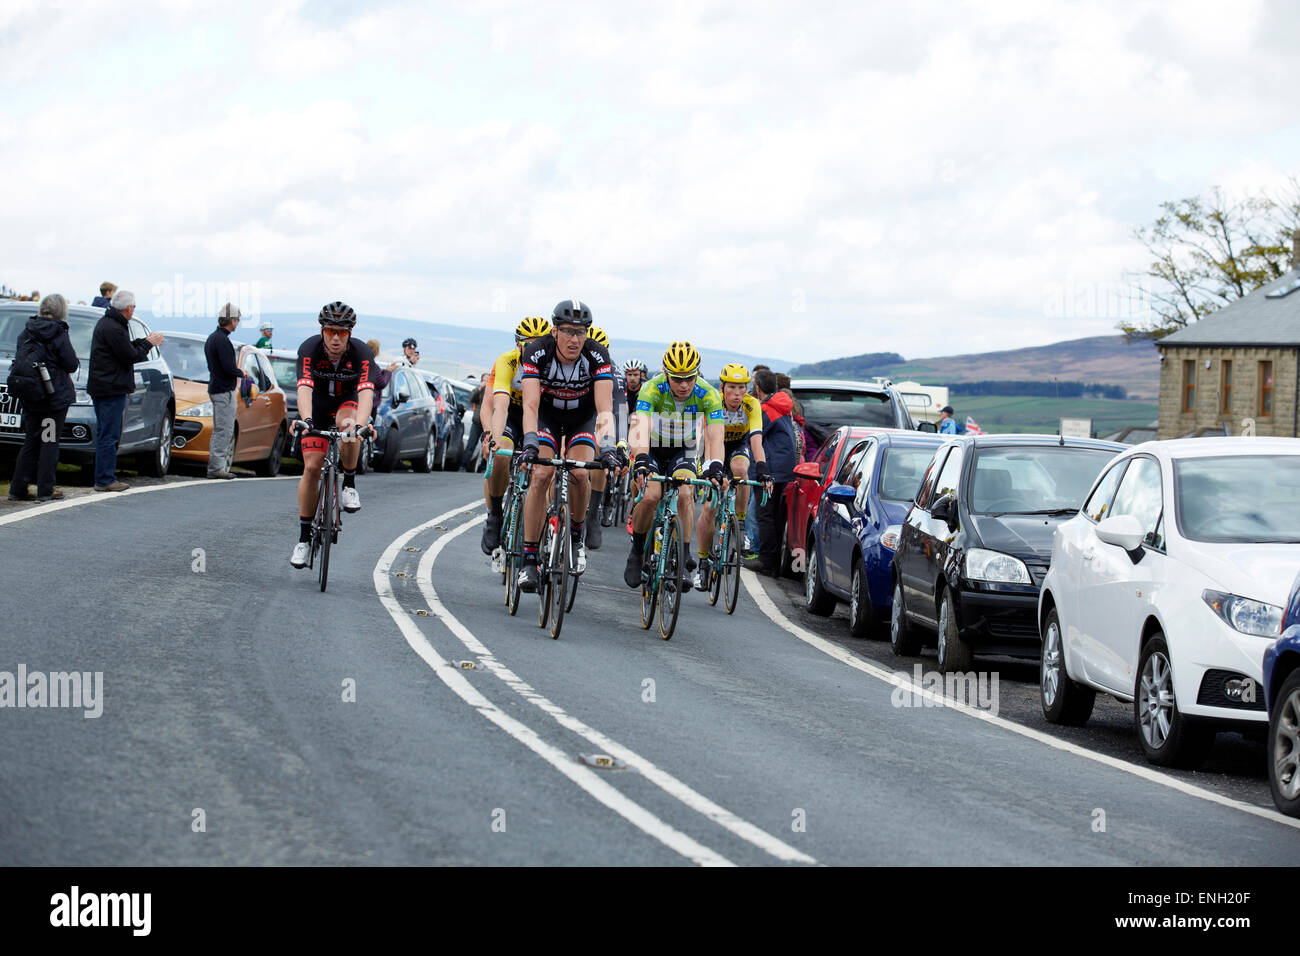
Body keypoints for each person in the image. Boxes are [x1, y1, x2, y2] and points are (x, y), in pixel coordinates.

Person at [516, 300, 622, 593]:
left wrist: (608, 448)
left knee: (580, 473)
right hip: (547, 416)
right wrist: (529, 442)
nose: (574, 339)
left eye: (581, 332)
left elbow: (604, 408)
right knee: (540, 475)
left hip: (582, 419)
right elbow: (530, 403)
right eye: (567, 332)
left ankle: (576, 537)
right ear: (554, 331)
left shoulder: (597, 354)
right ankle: (528, 559)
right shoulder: (536, 351)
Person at [623, 341, 726, 589]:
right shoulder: (652, 388)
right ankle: (637, 552)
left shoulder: (708, 394)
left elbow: (715, 435)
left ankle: (682, 555)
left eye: (690, 378)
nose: (684, 385)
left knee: (685, 492)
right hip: (653, 448)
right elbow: (641, 427)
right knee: (650, 496)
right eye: (678, 379)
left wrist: (715, 465)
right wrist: (641, 460)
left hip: (684, 450)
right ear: (666, 373)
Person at [288, 302, 377, 569]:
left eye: (341, 332)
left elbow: (366, 395)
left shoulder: (362, 353)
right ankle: (304, 539)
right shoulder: (309, 349)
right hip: (315, 405)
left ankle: (348, 482)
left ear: (350, 333)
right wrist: (305, 421)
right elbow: (304, 388)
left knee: (349, 427)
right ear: (322, 331)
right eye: (330, 332)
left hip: (345, 404)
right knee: (313, 466)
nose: (335, 338)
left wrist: (361, 425)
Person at [479, 316, 551, 554]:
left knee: (545, 470)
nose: (533, 350)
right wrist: (492, 435)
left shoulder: (552, 365)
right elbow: (496, 405)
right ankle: (495, 514)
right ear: (518, 345)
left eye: (539, 344)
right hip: (509, 413)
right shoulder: (507, 361)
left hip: (538, 417)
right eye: (528, 344)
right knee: (500, 456)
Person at [700, 363, 772, 588]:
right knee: (710, 507)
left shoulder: (752, 405)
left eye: (742, 387)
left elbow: (756, 440)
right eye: (732, 387)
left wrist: (762, 468)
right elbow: (710, 439)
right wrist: (712, 467)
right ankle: (703, 562)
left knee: (741, 470)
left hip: (738, 445)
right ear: (722, 387)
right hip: (714, 445)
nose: (737, 393)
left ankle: (739, 523)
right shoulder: (714, 401)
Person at [86, 289, 164, 492]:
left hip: (105, 385)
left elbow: (125, 348)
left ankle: (104, 476)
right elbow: (128, 355)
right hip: (110, 387)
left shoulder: (109, 324)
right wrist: (148, 343)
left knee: (108, 432)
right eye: (134, 307)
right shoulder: (114, 327)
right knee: (109, 434)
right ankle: (104, 479)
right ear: (128, 308)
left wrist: (142, 342)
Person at [7, 294, 78, 502]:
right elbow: (71, 364)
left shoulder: (26, 331)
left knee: (30, 441)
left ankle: (17, 488)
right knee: (49, 440)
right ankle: (45, 489)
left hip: (30, 395)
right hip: (52, 399)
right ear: (60, 311)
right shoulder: (58, 332)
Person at [744, 368, 797, 575]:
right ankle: (774, 562)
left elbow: (753, 434)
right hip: (785, 466)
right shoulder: (782, 404)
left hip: (772, 466)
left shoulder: (765, 410)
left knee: (764, 513)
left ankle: (766, 560)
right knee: (775, 514)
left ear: (757, 388)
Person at [204, 303, 251, 479]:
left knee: (221, 429)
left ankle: (216, 466)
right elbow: (228, 367)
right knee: (224, 429)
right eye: (237, 320)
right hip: (223, 389)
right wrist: (242, 372)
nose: (237, 323)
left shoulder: (213, 338)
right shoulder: (222, 340)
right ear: (231, 320)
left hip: (217, 386)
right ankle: (216, 468)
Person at [461, 376, 486, 472]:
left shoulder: (492, 391)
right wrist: (480, 388)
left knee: (487, 445)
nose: (486, 382)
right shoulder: (478, 391)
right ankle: (463, 465)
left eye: (488, 380)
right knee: (471, 445)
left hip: (487, 424)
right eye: (484, 380)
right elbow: (472, 398)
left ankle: (483, 467)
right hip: (477, 422)